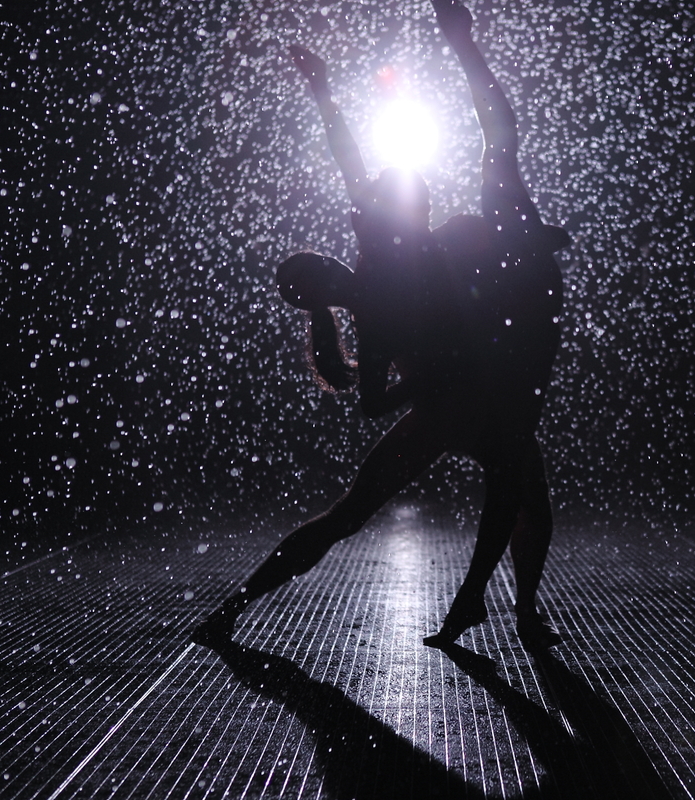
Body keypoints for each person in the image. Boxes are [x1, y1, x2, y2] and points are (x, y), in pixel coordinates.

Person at [194, 0, 568, 651]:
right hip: (463, 400)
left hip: (455, 401)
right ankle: (486, 604)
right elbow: (372, 401)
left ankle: (242, 603)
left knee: (370, 510)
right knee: (511, 483)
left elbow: (352, 162)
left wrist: (324, 93)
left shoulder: (382, 267)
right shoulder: (382, 278)